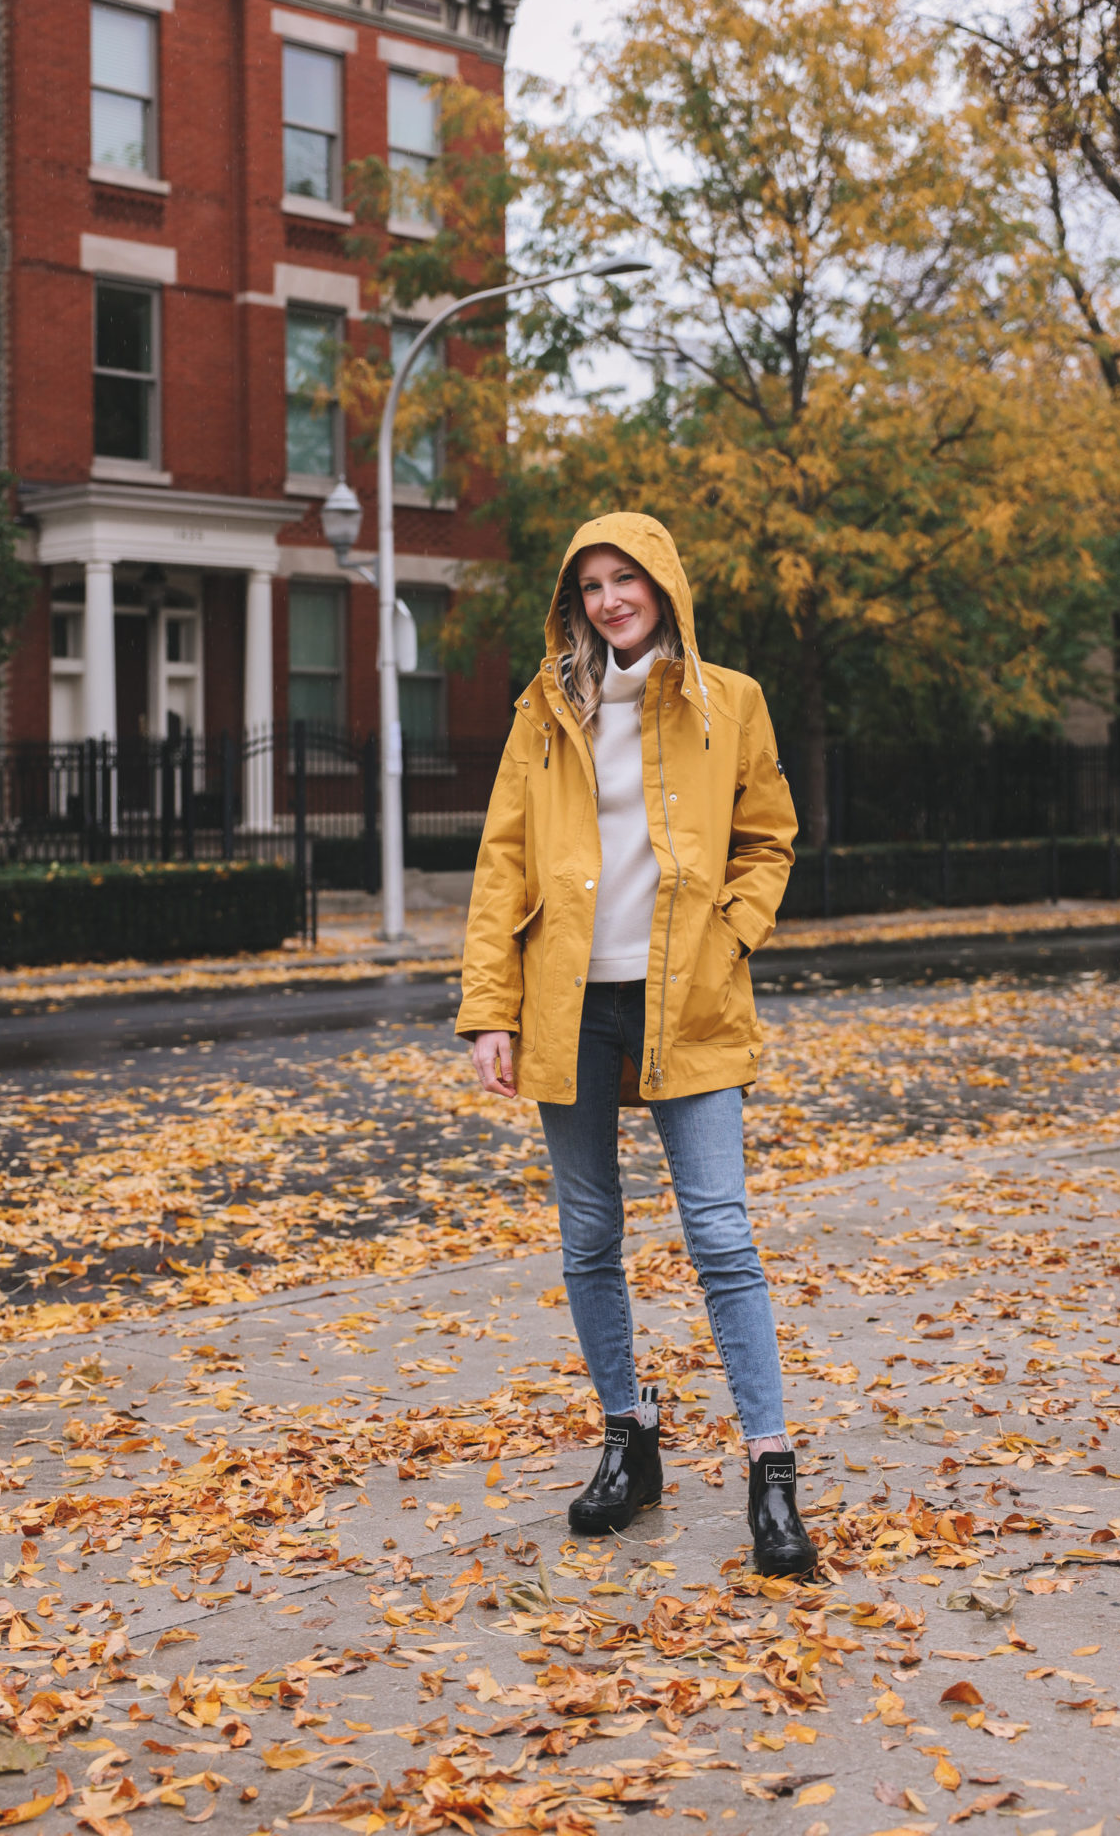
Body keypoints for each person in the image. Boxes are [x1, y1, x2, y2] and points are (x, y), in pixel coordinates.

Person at [457, 512, 815, 1579]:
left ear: (662, 583)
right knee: (588, 1234)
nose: (611, 599)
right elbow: (502, 859)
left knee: (721, 1235)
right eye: (592, 585)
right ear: (574, 602)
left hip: (689, 1000)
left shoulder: (729, 701)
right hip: (568, 1001)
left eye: (627, 579)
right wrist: (490, 1007)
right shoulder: (545, 709)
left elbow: (770, 836)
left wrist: (731, 933)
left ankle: (771, 1467)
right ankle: (629, 1435)